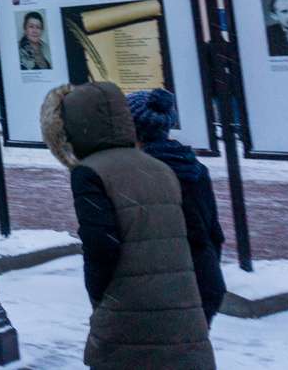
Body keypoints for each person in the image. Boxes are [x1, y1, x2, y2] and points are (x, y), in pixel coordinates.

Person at [40, 81, 215, 369]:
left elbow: (100, 248)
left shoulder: (90, 172)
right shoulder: (160, 168)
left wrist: (101, 300)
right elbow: (197, 241)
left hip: (129, 322)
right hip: (184, 322)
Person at [127, 88, 227, 325]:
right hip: (204, 282)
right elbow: (213, 232)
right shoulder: (194, 168)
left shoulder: (137, 174)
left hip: (162, 292)